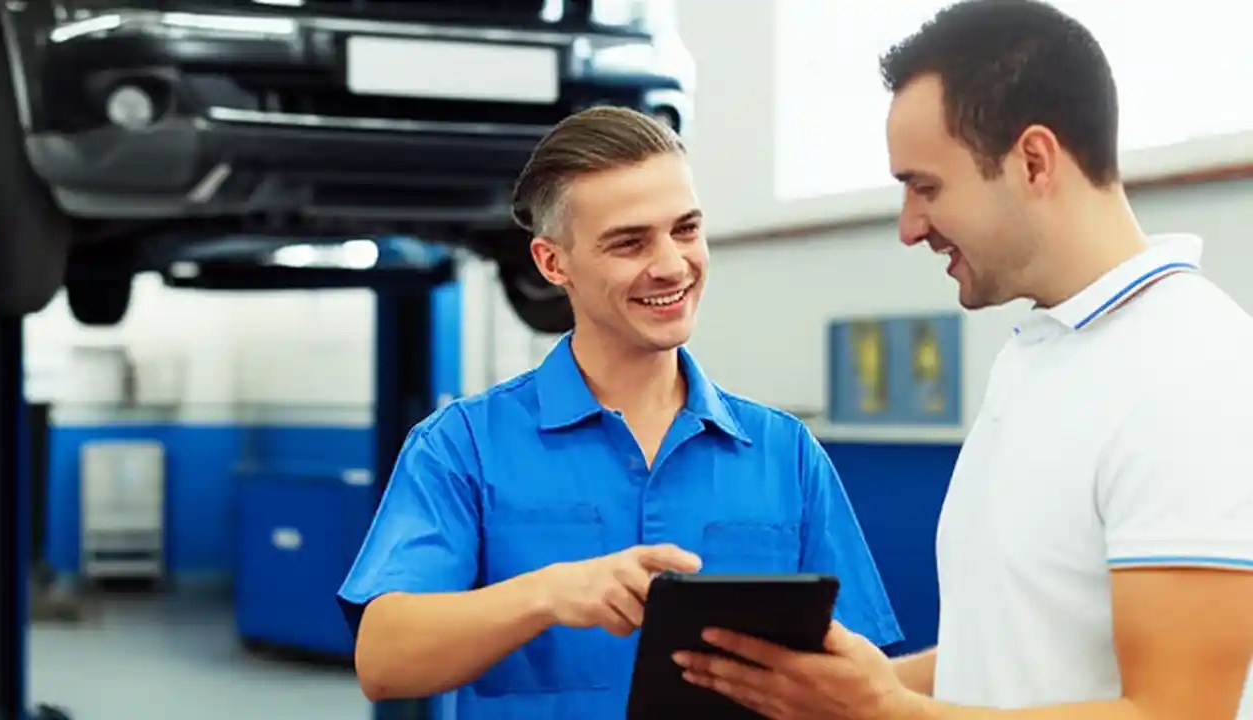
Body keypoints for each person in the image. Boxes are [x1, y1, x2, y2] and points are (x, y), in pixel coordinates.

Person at [674, 1, 1253, 718]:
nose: (910, 227)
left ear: (1033, 160)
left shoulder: (1191, 371)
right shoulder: (1042, 357)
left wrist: (885, 714)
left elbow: (1178, 712)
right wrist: (832, 685)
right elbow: (1015, 651)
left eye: (926, 186)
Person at [337, 106, 904, 720]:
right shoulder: (462, 446)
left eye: (685, 230)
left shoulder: (785, 455)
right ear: (554, 264)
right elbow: (385, 660)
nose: (670, 264)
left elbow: (857, 680)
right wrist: (547, 594)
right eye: (630, 242)